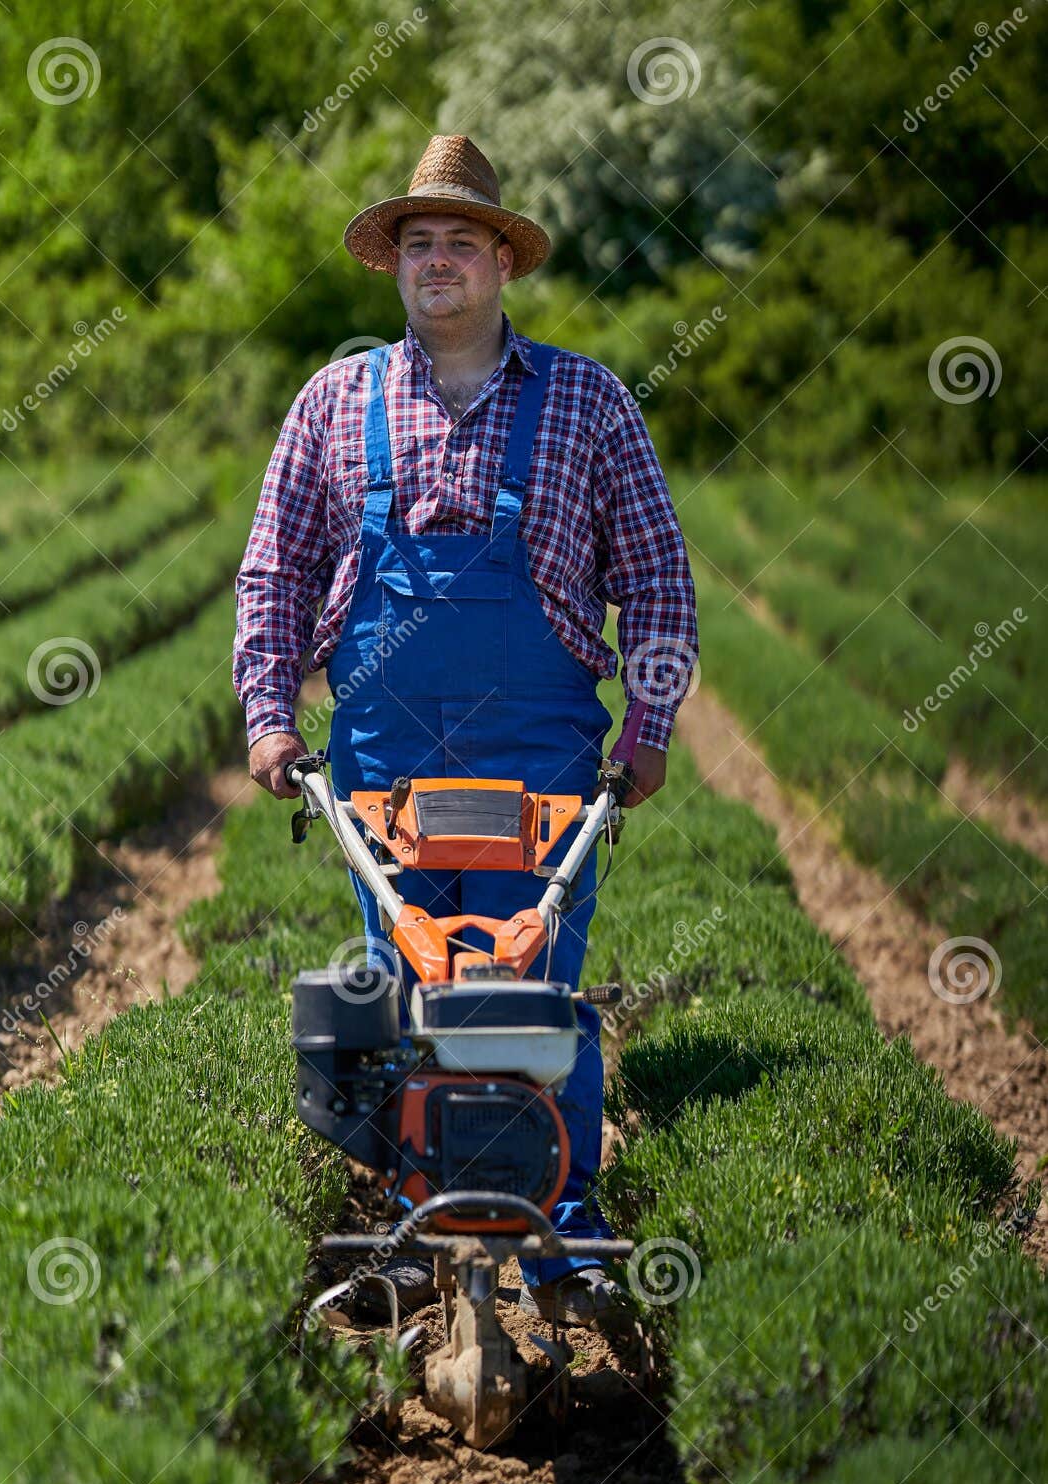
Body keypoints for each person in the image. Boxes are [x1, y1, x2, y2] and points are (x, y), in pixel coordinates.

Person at [233, 134, 697, 1330]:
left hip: (539, 759)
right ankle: (407, 1227)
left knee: (530, 985)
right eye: (416, 242)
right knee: (397, 987)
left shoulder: (586, 401)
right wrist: (269, 716)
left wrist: (647, 724)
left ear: (503, 259)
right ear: (395, 264)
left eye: (459, 241)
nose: (435, 262)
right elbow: (275, 573)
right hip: (384, 762)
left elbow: (654, 578)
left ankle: (564, 1239)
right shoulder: (333, 402)